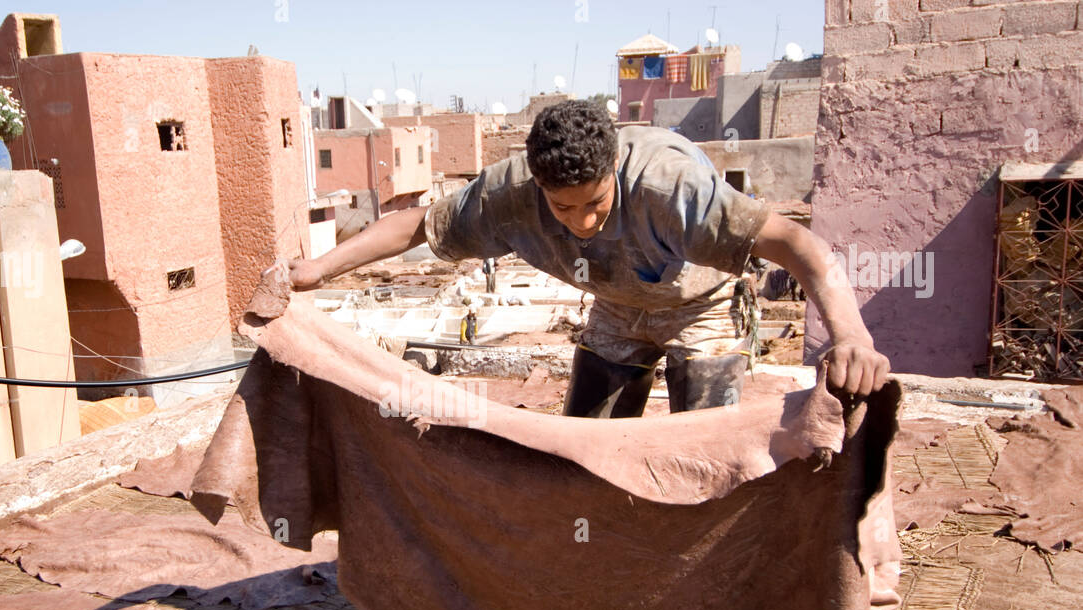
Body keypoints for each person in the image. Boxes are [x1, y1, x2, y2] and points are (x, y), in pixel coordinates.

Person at [289, 99, 888, 416]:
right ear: (538, 187)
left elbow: (800, 245)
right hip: (616, 307)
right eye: (563, 208)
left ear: (614, 174)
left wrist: (850, 333)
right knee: (586, 448)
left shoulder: (669, 187)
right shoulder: (507, 196)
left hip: (698, 305)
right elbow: (418, 226)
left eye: (596, 205)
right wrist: (320, 268)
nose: (582, 222)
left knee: (702, 449)